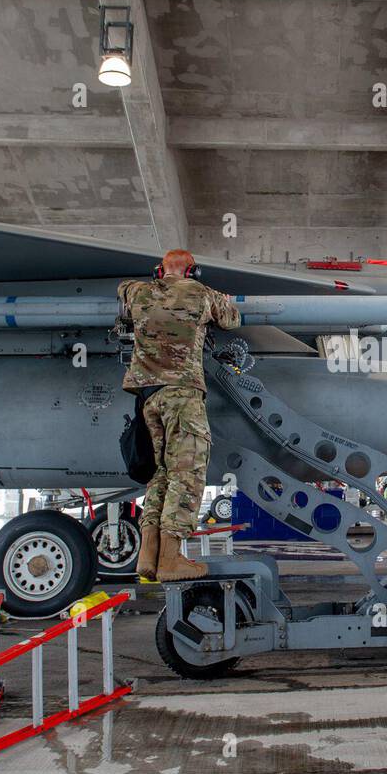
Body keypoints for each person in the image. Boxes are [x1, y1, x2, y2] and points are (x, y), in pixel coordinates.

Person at [119, 249, 240, 581]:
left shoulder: (138, 291)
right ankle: (171, 559)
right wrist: (224, 299)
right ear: (193, 272)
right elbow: (232, 318)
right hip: (182, 395)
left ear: (159, 270)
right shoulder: (200, 294)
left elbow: (123, 290)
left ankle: (148, 553)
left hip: (147, 397)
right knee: (187, 472)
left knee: (161, 473)